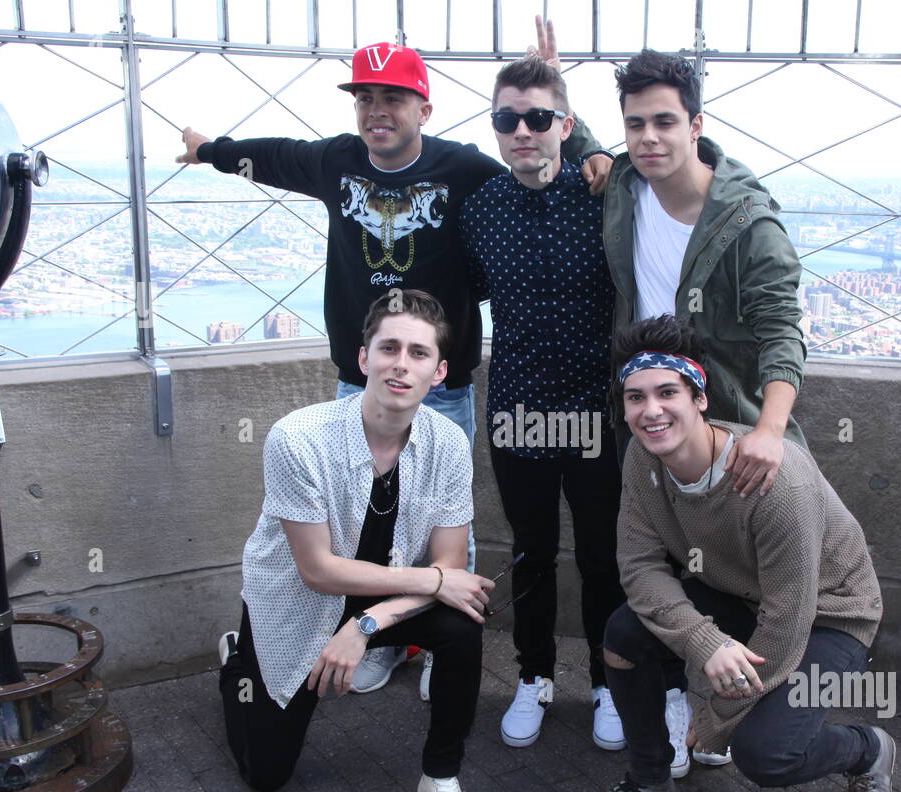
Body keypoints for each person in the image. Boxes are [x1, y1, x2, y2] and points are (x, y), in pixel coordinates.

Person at [179, 25, 612, 697]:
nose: (378, 111)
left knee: (446, 524)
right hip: (358, 382)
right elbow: (272, 156)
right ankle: (381, 637)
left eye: (395, 98)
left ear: (424, 109)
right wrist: (210, 150)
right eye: (366, 99)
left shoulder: (466, 169)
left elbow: (536, 165)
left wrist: (587, 146)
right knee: (360, 525)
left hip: (444, 386)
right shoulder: (336, 162)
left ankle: (445, 640)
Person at [569, 316, 894, 792]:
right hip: (736, 592)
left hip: (828, 615)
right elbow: (640, 568)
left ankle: (868, 750)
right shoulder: (641, 458)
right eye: (635, 397)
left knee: (767, 756)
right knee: (625, 633)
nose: (651, 412)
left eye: (667, 392)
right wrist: (706, 641)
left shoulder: (776, 483)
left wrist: (720, 715)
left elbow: (789, 619)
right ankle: (649, 779)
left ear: (700, 399)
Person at [217, 289, 496, 792]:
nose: (401, 363)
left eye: (419, 353)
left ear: (439, 372)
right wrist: (437, 582)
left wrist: (366, 626)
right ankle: (236, 661)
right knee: (263, 775)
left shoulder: (448, 443)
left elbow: (448, 565)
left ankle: (440, 779)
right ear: (362, 358)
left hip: (385, 597)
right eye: (388, 347)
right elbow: (319, 571)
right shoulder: (298, 438)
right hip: (297, 598)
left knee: (463, 627)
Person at [457, 55, 627, 753]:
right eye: (506, 119)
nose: (521, 130)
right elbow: (461, 297)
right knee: (531, 554)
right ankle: (533, 676)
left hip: (594, 409)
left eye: (536, 117)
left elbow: (690, 165)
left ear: (564, 123)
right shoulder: (481, 211)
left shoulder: (606, 196)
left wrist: (599, 154)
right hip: (520, 409)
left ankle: (610, 683)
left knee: (602, 557)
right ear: (495, 128)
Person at [603, 50, 808, 499]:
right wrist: (557, 97)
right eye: (635, 125)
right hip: (647, 422)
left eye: (665, 122)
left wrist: (770, 432)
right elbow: (571, 148)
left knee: (734, 564)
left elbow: (781, 332)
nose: (649, 138)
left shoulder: (749, 225)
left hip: (727, 431)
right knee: (651, 558)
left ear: (696, 126)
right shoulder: (623, 188)